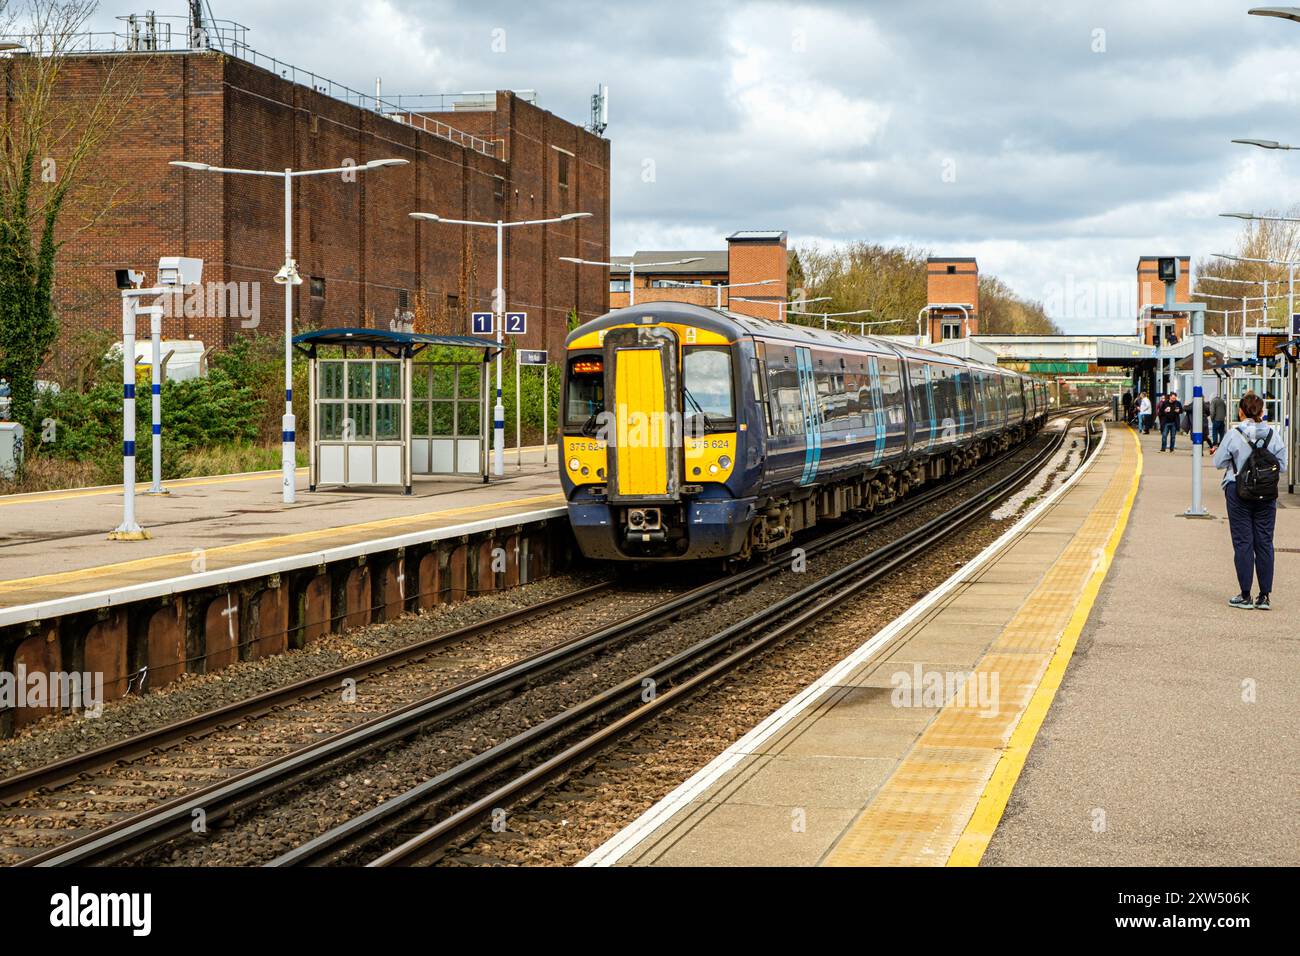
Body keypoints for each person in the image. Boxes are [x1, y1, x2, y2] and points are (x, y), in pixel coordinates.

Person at [1213, 394, 1287, 610]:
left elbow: (1219, 462)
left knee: (1243, 542)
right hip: (1266, 493)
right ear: (1262, 413)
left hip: (1238, 491)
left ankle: (1245, 595)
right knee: (1264, 541)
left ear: (1240, 412)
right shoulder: (1274, 435)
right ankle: (1264, 596)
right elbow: (1282, 466)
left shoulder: (1234, 434)